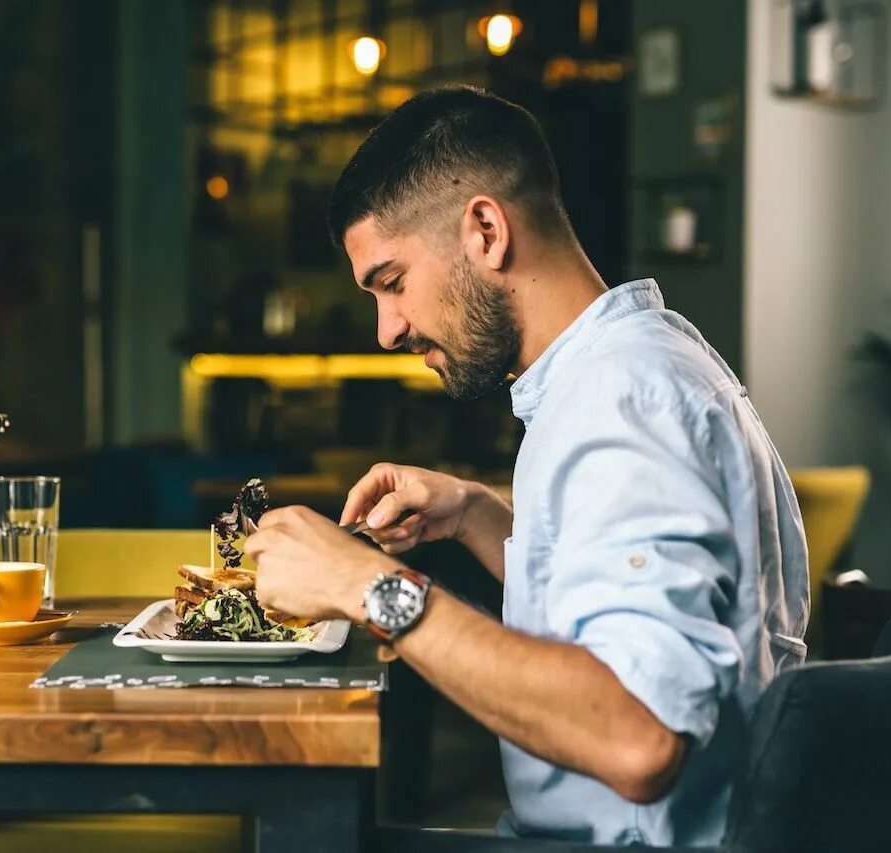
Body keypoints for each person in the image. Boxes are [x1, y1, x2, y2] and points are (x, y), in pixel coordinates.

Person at [245, 86, 809, 847]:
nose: (387, 329)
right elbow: (615, 609)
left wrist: (366, 586)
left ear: (484, 228)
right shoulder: (625, 367)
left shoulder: (625, 400)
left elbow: (641, 737)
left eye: (392, 282)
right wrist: (482, 515)